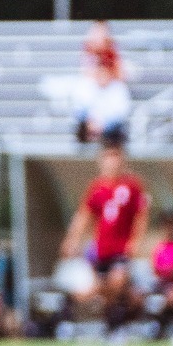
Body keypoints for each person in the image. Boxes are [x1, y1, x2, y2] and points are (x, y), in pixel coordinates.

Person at [58, 138, 147, 327]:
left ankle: (115, 321)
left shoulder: (132, 186)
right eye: (108, 157)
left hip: (121, 250)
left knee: (117, 280)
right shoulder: (96, 187)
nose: (112, 161)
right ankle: (101, 320)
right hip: (100, 251)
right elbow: (84, 215)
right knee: (99, 290)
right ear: (101, 160)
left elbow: (141, 216)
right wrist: (72, 238)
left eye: (115, 156)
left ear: (122, 160)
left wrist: (136, 241)